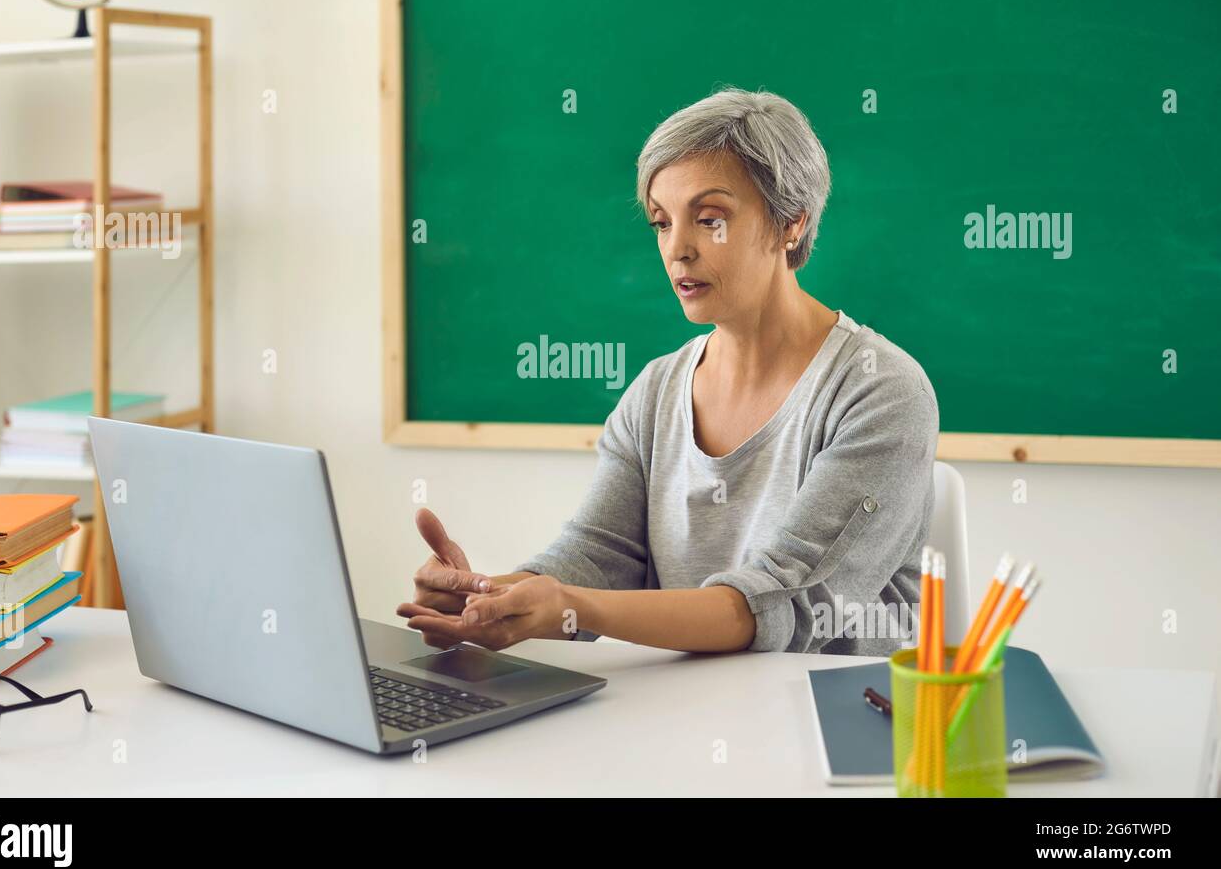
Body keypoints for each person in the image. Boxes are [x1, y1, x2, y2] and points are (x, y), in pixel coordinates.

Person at [398, 87, 938, 655]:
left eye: (709, 219)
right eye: (661, 222)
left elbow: (782, 602)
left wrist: (570, 606)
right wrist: (490, 596)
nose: (677, 249)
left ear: (791, 225)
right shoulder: (655, 391)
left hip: (839, 724)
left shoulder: (882, 391)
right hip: (686, 718)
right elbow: (601, 555)